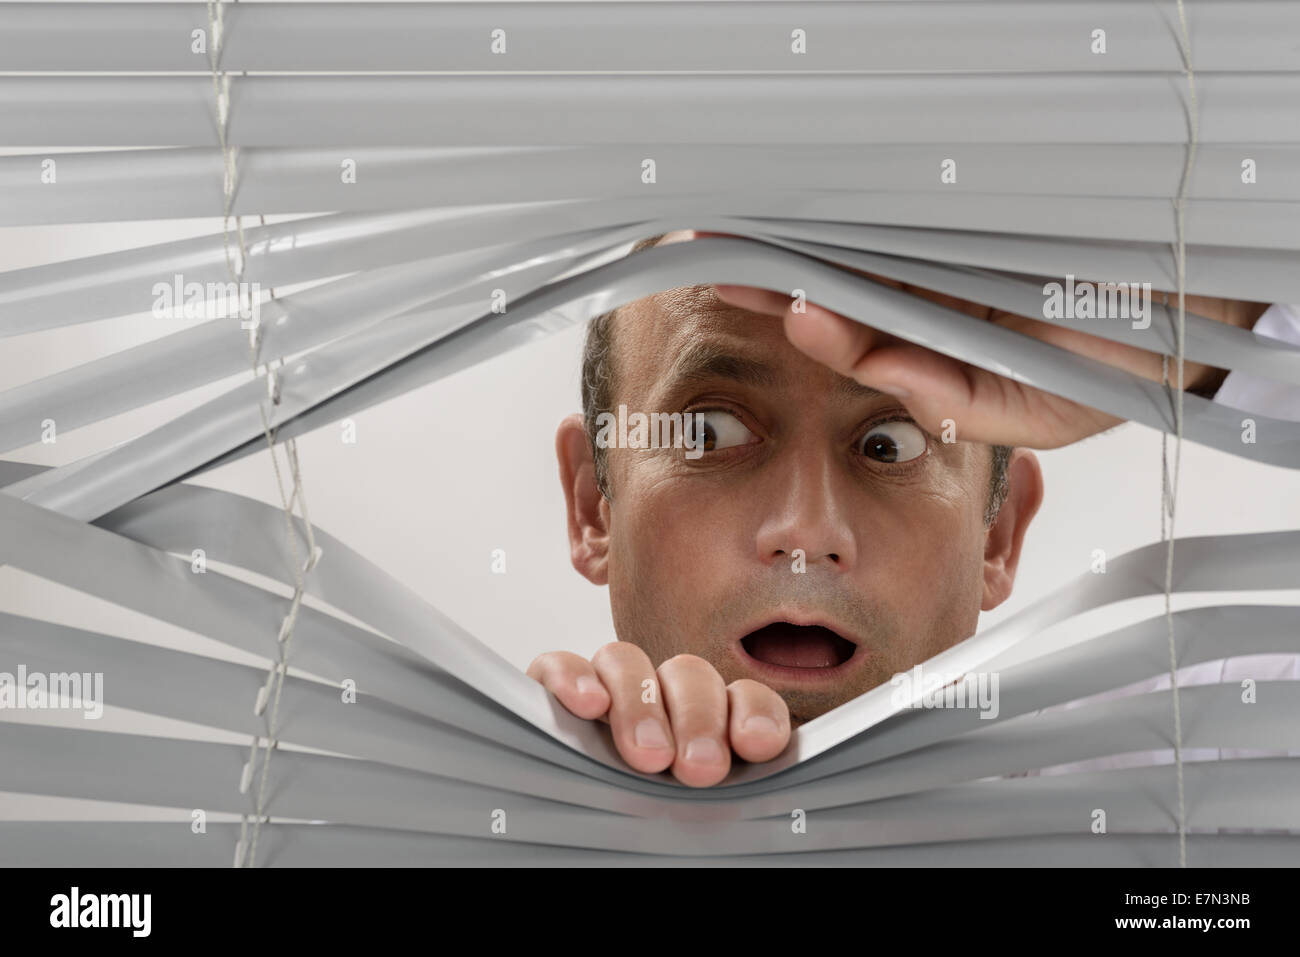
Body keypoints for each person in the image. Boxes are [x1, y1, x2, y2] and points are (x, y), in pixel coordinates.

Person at [527, 229, 1280, 787]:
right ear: (593, 504)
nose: (807, 532)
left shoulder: (1195, 777)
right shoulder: (513, 813)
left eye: (889, 444)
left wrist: (1221, 324)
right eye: (709, 432)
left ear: (998, 533)